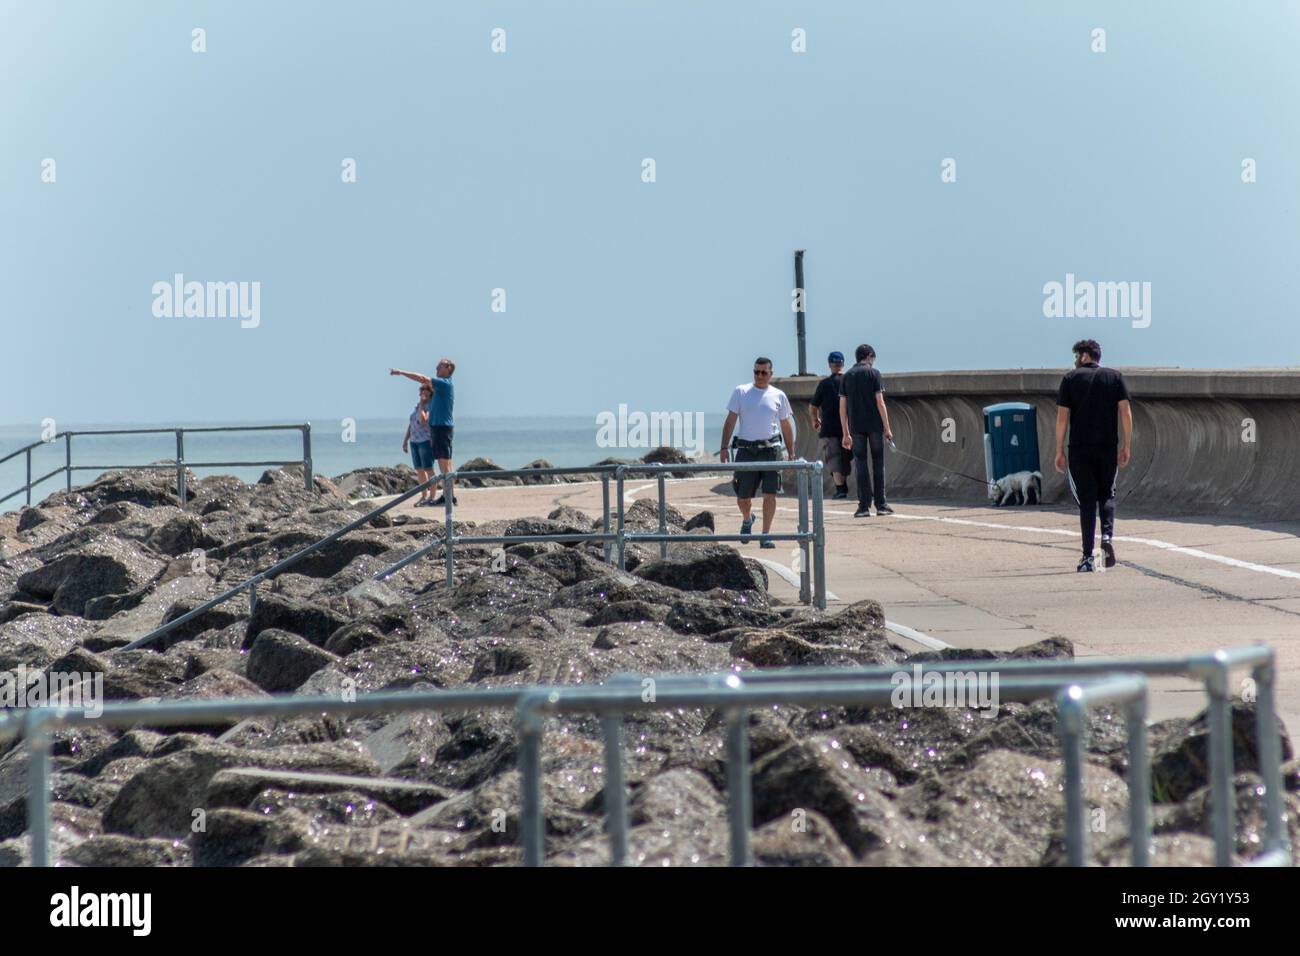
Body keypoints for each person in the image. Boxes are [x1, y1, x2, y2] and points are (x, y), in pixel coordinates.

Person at [1054, 339, 1132, 572]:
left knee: (1087, 501)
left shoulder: (1070, 379)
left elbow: (1062, 418)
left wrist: (1058, 450)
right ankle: (1106, 537)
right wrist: (1126, 445)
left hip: (1080, 449)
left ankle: (1088, 556)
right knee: (1107, 494)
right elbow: (1126, 413)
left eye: (1077, 356)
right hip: (1107, 447)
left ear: (1085, 356)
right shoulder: (1115, 378)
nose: (1076, 360)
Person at [719, 357, 795, 548]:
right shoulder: (741, 392)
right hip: (746, 450)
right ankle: (747, 519)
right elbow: (730, 421)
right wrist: (724, 447)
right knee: (743, 497)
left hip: (771, 450)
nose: (760, 376)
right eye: (756, 372)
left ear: (771, 374)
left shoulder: (778, 395)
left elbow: (786, 425)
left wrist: (792, 453)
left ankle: (765, 535)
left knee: (770, 494)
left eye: (764, 372)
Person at [390, 360, 457, 505]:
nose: (437, 368)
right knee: (446, 464)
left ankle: (448, 497)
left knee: (444, 464)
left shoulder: (444, 383)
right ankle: (450, 495)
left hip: (441, 428)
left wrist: (401, 372)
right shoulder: (441, 388)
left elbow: (422, 378)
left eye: (440, 366)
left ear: (448, 368)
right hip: (441, 428)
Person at [838, 344, 894, 517]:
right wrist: (887, 427)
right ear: (869, 356)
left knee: (860, 464)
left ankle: (863, 506)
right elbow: (880, 402)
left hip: (856, 427)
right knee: (878, 463)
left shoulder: (847, 376)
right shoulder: (874, 374)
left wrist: (845, 432)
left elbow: (842, 407)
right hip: (875, 426)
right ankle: (881, 504)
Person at [810, 351, 852, 499]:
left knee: (833, 459)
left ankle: (841, 490)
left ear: (829, 365)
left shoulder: (825, 384)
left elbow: (813, 406)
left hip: (829, 429)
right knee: (848, 459)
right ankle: (847, 487)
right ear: (843, 364)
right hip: (850, 427)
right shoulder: (850, 381)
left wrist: (815, 420)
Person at [401, 382, 437, 505]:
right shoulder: (417, 407)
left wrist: (422, 405)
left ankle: (432, 496)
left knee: (429, 469)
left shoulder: (429, 407)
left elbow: (423, 421)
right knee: (419, 470)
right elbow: (411, 425)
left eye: (426, 394)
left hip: (425, 441)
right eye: (422, 393)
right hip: (414, 441)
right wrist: (405, 441)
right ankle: (423, 495)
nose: (423, 396)